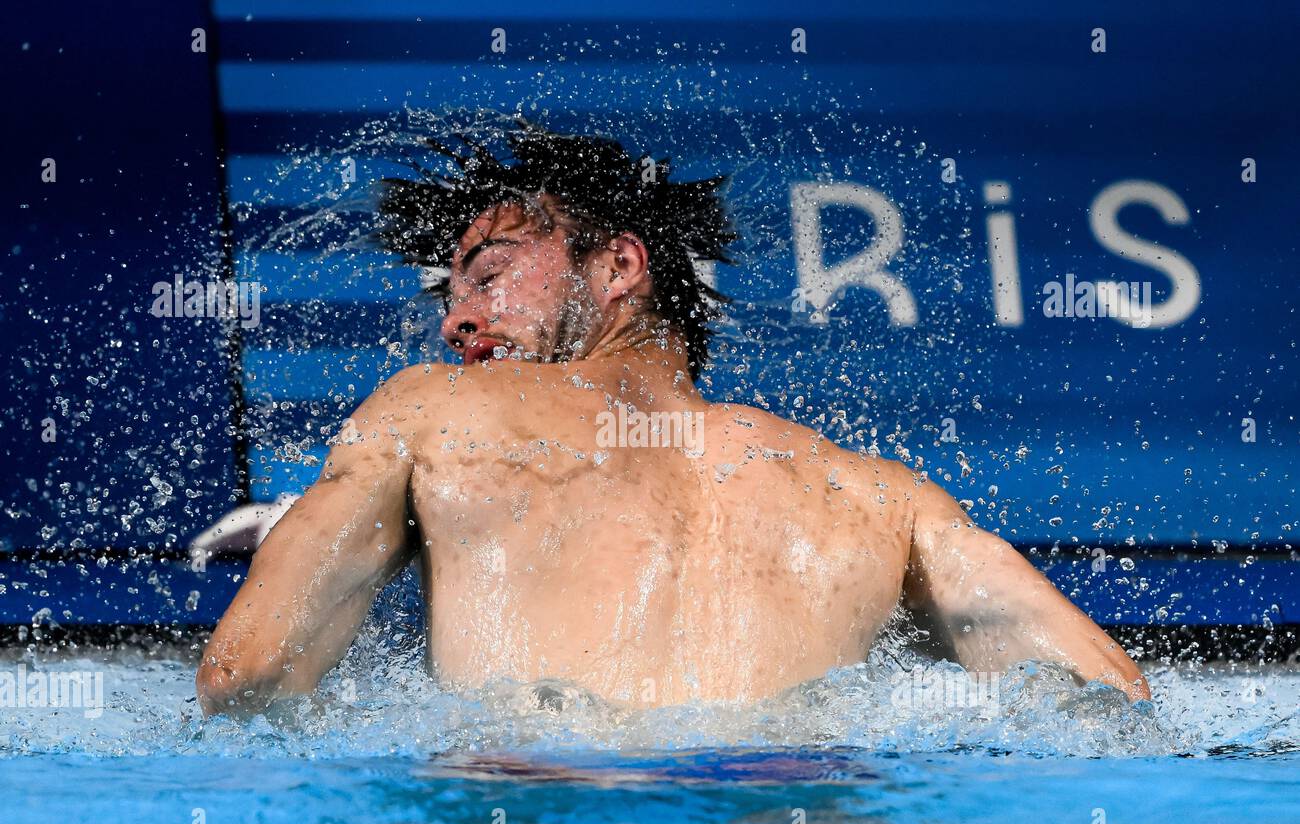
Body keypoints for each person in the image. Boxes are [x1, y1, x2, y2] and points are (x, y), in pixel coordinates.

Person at [196, 122, 1148, 717]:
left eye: (488, 276)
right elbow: (1113, 705)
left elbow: (245, 680)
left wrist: (362, 539)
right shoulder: (874, 497)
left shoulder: (432, 411)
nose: (456, 318)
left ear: (618, 267)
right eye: (451, 296)